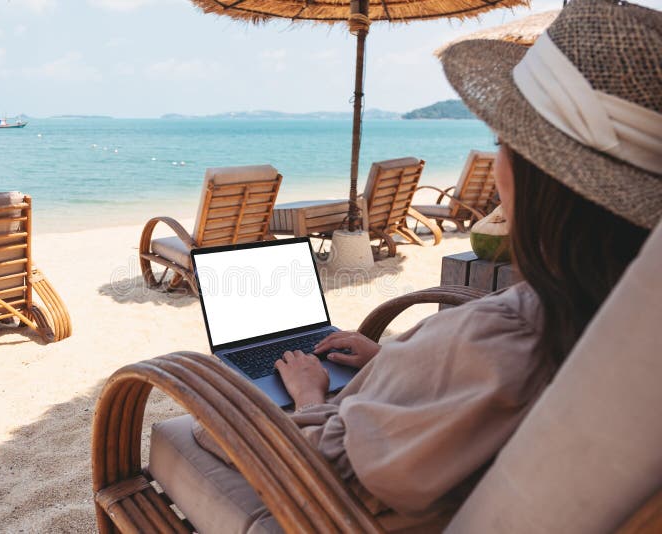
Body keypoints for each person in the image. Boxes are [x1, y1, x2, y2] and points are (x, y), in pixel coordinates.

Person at [176, 0, 661, 531]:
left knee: (199, 418)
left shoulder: (506, 337)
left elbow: (326, 467)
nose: (497, 161)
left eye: (503, 143)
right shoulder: (621, 322)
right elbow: (466, 403)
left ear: (545, 181)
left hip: (316, 492)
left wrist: (310, 393)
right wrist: (389, 361)